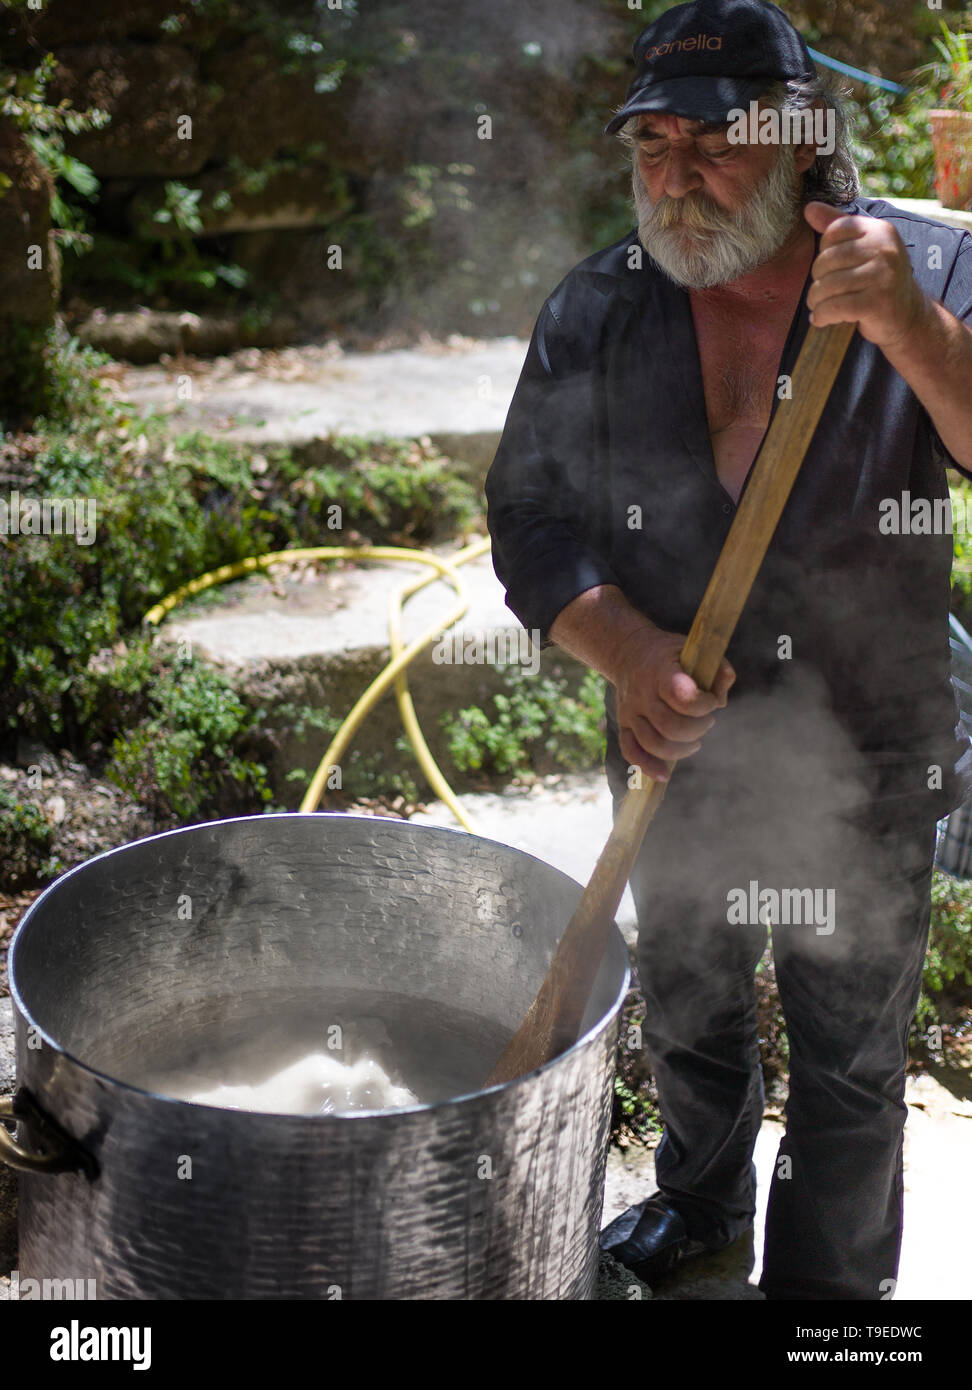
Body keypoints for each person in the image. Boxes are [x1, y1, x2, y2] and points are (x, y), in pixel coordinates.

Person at [484, 0, 972, 1301]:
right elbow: (528, 525)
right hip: (676, 734)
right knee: (691, 1006)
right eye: (653, 144)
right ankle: (701, 1206)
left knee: (852, 1059)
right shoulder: (598, 307)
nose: (677, 175)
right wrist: (630, 651)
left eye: (717, 141)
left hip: (867, 745)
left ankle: (830, 1296)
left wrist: (914, 336)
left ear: (807, 144)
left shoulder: (924, 271)